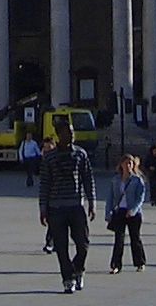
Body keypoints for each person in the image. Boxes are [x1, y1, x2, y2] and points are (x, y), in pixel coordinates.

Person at [39, 120, 96, 294]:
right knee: (61, 247)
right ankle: (67, 278)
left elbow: (88, 178)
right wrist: (43, 208)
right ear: (59, 135)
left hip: (76, 206)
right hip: (56, 208)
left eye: (72, 132)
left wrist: (92, 202)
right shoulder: (49, 157)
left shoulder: (80, 154)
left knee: (83, 244)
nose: (71, 135)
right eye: (67, 132)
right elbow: (45, 184)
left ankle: (78, 269)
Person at [104, 153, 147, 273]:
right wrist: (108, 213)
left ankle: (140, 262)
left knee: (135, 238)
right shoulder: (116, 180)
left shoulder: (137, 180)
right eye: (126, 163)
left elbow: (140, 198)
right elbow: (110, 197)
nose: (128, 165)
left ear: (133, 165)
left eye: (130, 163)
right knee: (119, 239)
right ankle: (116, 265)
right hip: (120, 211)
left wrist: (133, 210)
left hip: (134, 213)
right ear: (121, 164)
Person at [40, 137, 57, 253]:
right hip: (49, 195)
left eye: (48, 147)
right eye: (44, 147)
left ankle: (52, 243)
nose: (46, 150)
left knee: (56, 222)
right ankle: (50, 243)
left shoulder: (56, 159)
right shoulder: (44, 159)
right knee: (52, 221)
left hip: (59, 195)